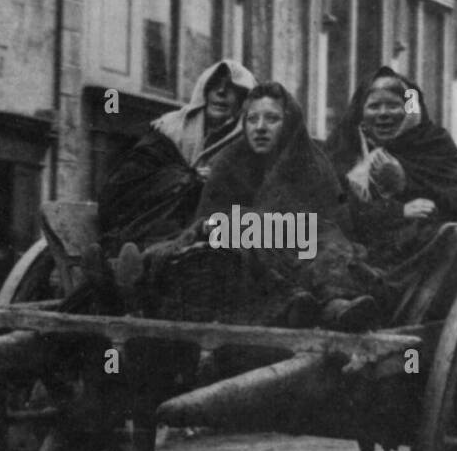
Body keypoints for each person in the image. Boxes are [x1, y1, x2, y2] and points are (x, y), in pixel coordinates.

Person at [158, 81, 381, 330]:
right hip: (243, 256)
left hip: (302, 254)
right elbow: (208, 219)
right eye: (252, 119)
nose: (260, 128)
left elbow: (335, 225)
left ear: (289, 123)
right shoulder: (228, 161)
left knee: (326, 239)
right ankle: (292, 304)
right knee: (230, 230)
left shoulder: (312, 163)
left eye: (272, 119)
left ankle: (334, 306)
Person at [326, 66, 457, 270]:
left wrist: (409, 189)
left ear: (411, 111)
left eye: (394, 105)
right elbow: (331, 203)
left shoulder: (434, 144)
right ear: (361, 111)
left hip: (412, 256)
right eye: (374, 106)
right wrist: (398, 211)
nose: (383, 114)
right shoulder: (344, 147)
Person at [97, 59, 255, 255]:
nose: (221, 92)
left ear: (242, 100)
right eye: (215, 85)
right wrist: (187, 178)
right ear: (204, 90)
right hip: (152, 222)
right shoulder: (170, 128)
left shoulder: (247, 144)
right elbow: (128, 183)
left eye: (231, 88)